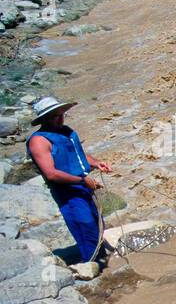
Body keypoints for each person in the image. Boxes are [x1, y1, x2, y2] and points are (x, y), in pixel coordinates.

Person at [25, 96, 112, 266]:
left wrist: (95, 162)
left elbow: (78, 155)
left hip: (84, 187)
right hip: (68, 193)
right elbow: (51, 173)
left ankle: (101, 261)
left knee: (97, 223)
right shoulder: (39, 141)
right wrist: (82, 181)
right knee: (85, 228)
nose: (60, 118)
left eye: (61, 114)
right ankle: (92, 267)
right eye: (54, 116)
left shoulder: (66, 132)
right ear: (43, 118)